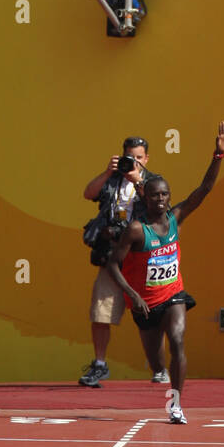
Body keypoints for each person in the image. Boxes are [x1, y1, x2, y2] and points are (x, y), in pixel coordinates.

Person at [107, 120, 224, 424]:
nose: (161, 199)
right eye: (155, 195)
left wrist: (218, 156)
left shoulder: (176, 217)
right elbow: (112, 263)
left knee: (177, 339)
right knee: (156, 361)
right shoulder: (137, 230)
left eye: (165, 194)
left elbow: (204, 189)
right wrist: (133, 295)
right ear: (145, 198)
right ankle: (159, 371)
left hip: (173, 294)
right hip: (144, 303)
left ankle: (176, 405)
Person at [78, 137, 153, 388]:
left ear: (146, 159)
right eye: (129, 157)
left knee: (155, 313)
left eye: (139, 158)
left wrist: (138, 181)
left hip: (141, 256)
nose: (133, 162)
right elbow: (88, 193)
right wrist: (107, 171)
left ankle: (159, 367)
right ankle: (99, 364)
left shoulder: (152, 181)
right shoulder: (112, 177)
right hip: (112, 254)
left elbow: (159, 207)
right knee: (101, 309)